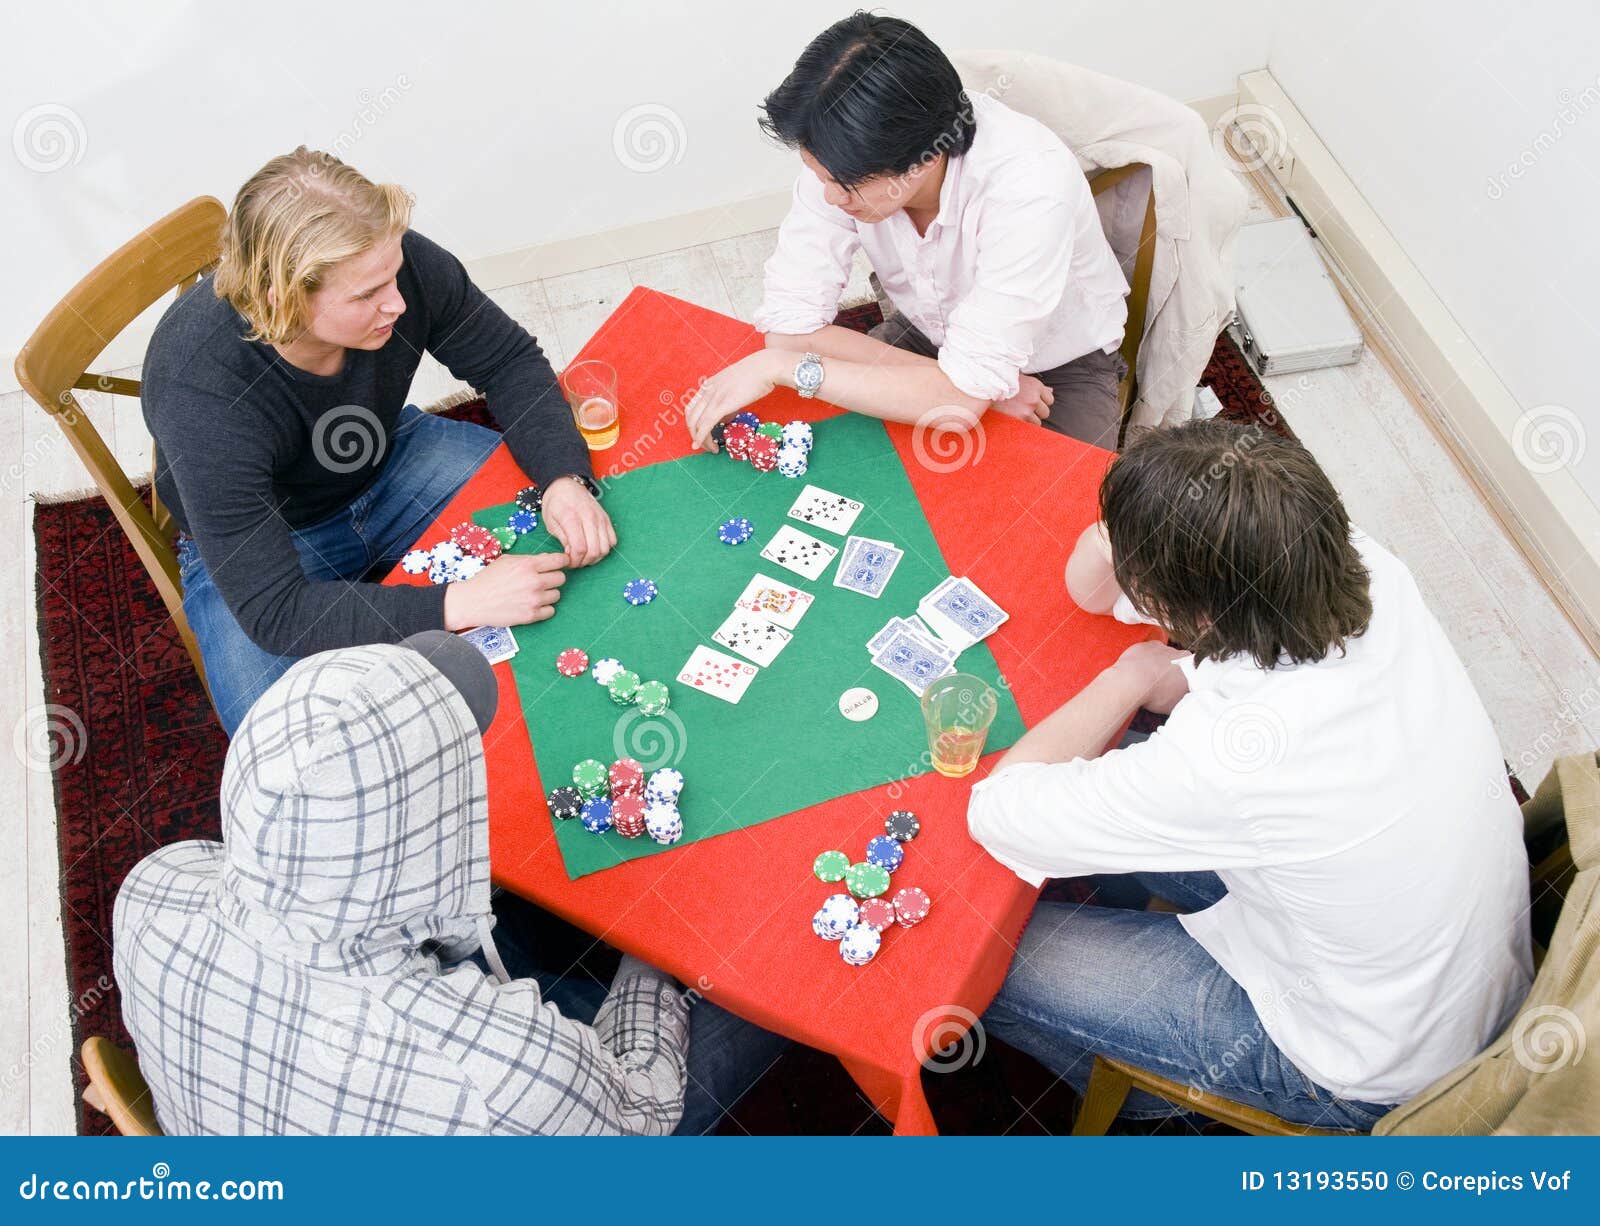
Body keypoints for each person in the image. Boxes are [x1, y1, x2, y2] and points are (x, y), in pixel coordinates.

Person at [966, 419, 1533, 1129]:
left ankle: (1151, 1100)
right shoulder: (1368, 562)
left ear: (1184, 611)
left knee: (984, 964)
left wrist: (1131, 674)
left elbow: (999, 808)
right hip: (1445, 967)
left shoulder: (1229, 764)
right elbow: (1100, 594)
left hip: (1362, 1066)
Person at [114, 630, 787, 1135]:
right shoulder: (508, 1082)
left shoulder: (151, 888)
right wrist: (662, 941)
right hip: (573, 1123)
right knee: (765, 964)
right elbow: (643, 1103)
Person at [142, 147, 616, 735]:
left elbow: (508, 360)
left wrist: (562, 478)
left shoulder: (394, 263)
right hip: (276, 537)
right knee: (287, 753)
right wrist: (458, 603)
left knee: (592, 526)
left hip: (392, 461)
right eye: (367, 295)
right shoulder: (199, 394)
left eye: (391, 276)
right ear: (280, 296)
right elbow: (276, 612)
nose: (396, 301)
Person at [684, 12, 1129, 452]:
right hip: (930, 337)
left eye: (845, 185)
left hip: (1061, 365)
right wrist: (976, 393)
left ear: (924, 160)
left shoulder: (1030, 186)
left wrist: (785, 368)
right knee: (844, 460)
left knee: (1056, 515)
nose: (829, 198)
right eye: (818, 176)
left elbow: (953, 402)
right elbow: (788, 327)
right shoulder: (838, 160)